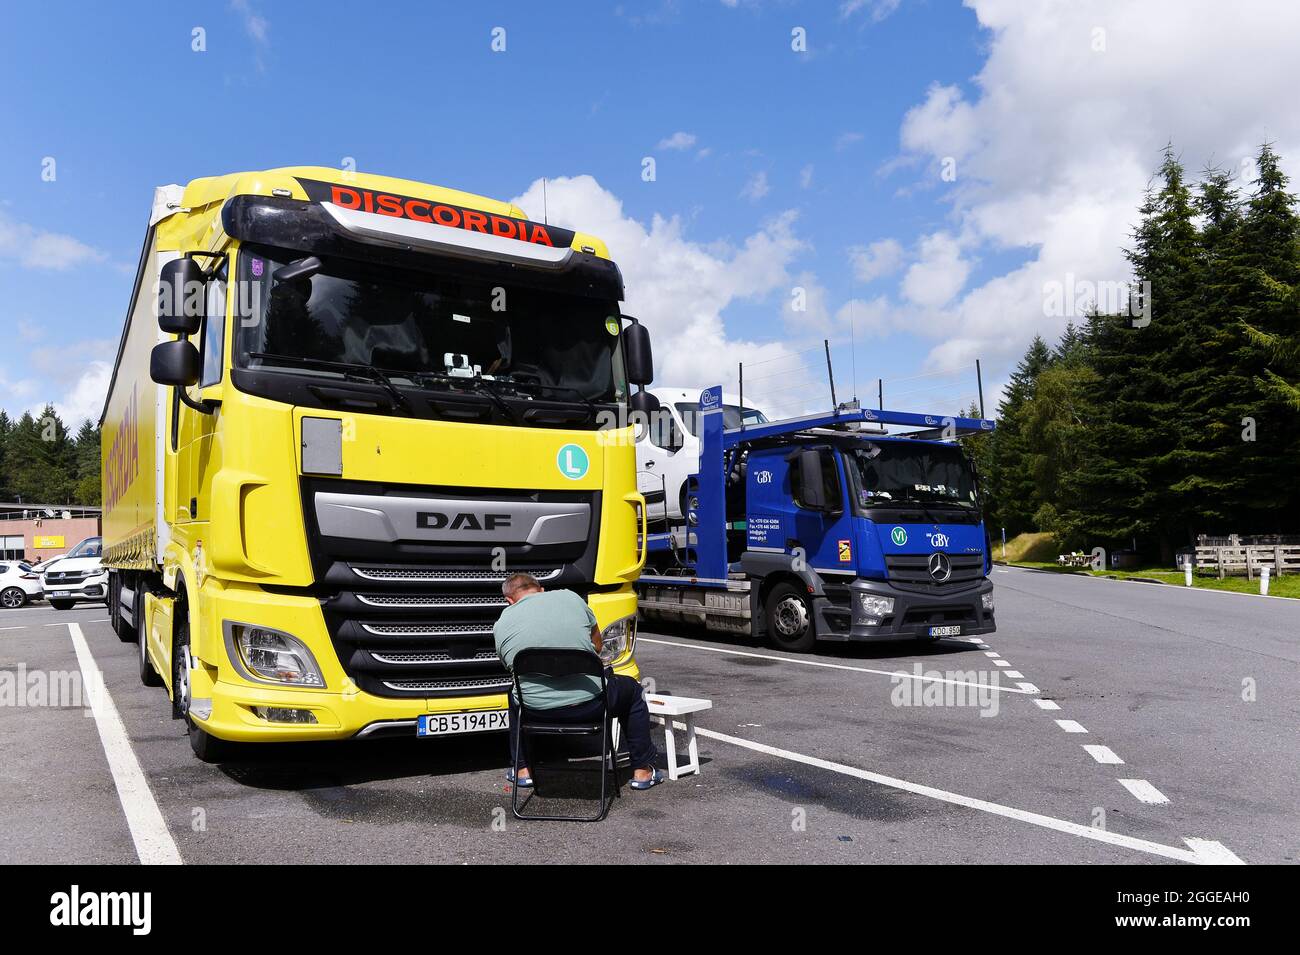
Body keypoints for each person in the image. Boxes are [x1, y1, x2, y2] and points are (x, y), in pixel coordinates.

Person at [493, 572, 662, 790]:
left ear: (509, 600)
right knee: (633, 691)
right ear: (541, 590)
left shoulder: (502, 622)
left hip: (536, 711)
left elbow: (511, 667)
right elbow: (598, 647)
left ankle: (522, 770)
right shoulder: (570, 598)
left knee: (514, 692)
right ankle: (642, 771)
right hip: (590, 705)